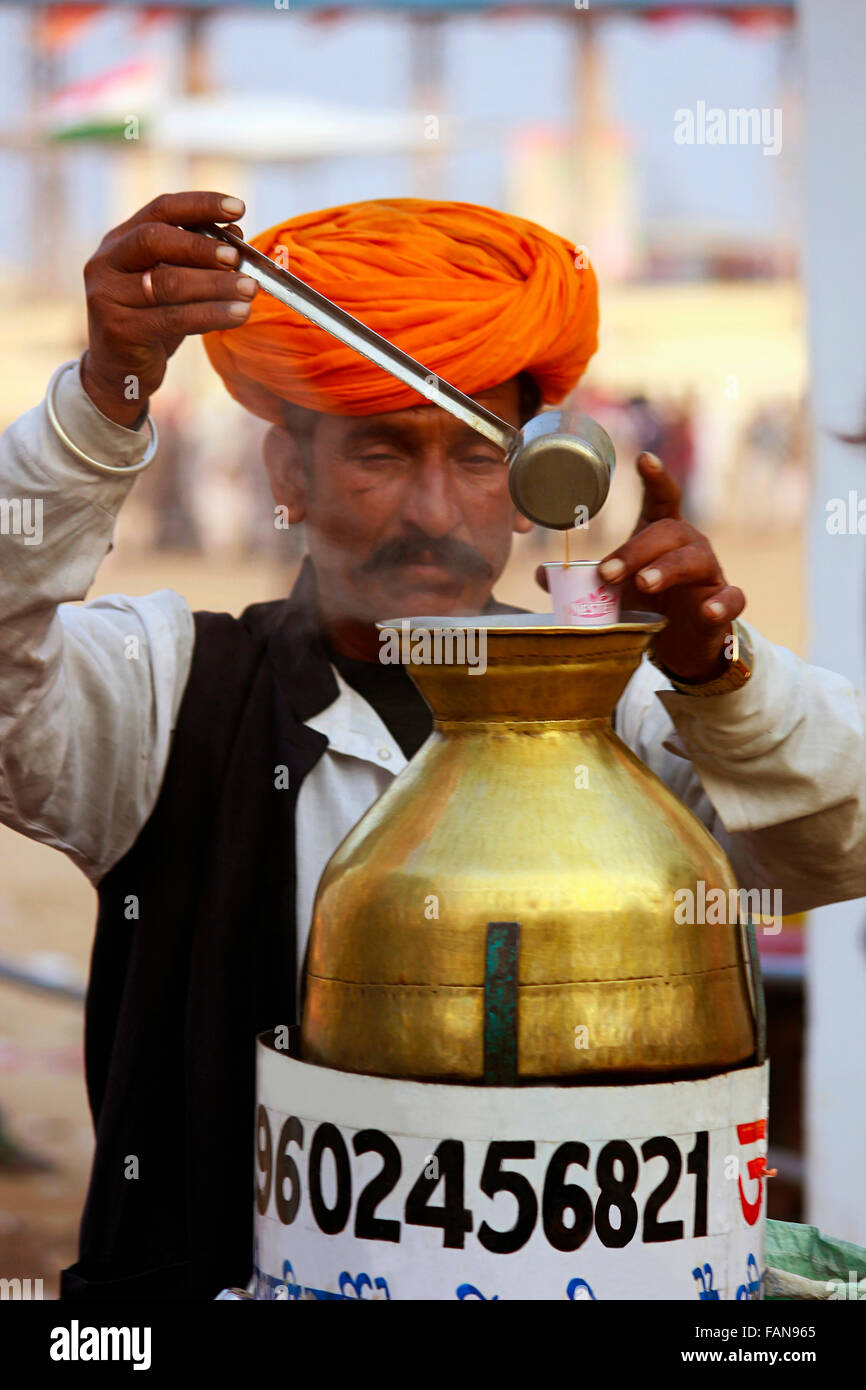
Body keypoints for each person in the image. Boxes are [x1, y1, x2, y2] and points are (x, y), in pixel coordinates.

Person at [1, 191, 864, 1300]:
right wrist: (103, 394)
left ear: (527, 491)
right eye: (377, 452)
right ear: (286, 476)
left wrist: (721, 673)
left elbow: (836, 837)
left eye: (471, 456)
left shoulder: (639, 714)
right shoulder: (169, 700)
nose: (428, 509)